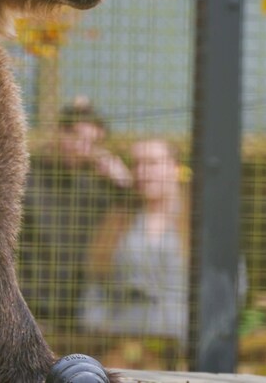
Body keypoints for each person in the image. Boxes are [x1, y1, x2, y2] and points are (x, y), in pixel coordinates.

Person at [18, 97, 133, 338]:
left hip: (76, 311)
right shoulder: (25, 176)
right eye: (78, 138)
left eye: (92, 143)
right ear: (61, 134)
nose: (83, 148)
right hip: (28, 307)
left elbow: (133, 222)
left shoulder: (94, 188)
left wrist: (123, 183)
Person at [79, 139, 190, 350]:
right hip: (123, 343)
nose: (143, 171)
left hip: (183, 343)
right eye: (137, 164)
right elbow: (94, 285)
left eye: (152, 163)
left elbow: (230, 287)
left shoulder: (198, 223)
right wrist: (98, 329)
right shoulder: (115, 221)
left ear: (176, 168)